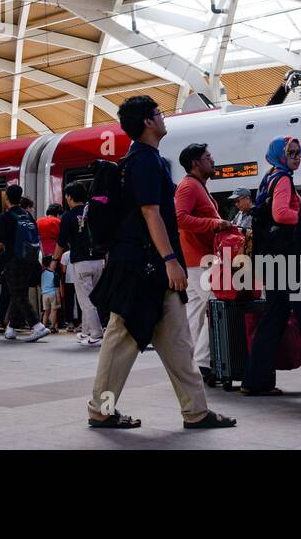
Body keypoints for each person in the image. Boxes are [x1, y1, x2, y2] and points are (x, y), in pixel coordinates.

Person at [86, 96, 235, 431]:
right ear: (148, 123)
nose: (163, 118)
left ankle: (196, 411)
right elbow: (150, 212)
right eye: (159, 114)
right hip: (142, 268)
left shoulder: (150, 159)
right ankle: (101, 409)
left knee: (179, 342)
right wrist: (171, 260)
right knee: (121, 341)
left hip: (152, 269)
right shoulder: (143, 161)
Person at [241, 136, 301, 396]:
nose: (297, 157)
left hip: (273, 259)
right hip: (288, 259)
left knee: (274, 318)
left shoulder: (269, 177)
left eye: (299, 152)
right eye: (291, 153)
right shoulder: (283, 179)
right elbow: (280, 213)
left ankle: (256, 381)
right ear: (280, 154)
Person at [175, 143, 235, 382]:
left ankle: (189, 363)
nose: (213, 160)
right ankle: (201, 362)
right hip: (200, 260)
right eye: (208, 157)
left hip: (195, 259)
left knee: (197, 313)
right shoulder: (189, 186)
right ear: (195, 163)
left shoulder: (196, 186)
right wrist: (215, 224)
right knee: (219, 304)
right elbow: (180, 218)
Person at [0, 184, 50, 342]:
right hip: (30, 260)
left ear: (7, 199)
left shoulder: (6, 217)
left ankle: (37, 326)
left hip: (14, 261)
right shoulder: (27, 215)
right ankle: (11, 328)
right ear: (20, 199)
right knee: (17, 293)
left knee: (18, 295)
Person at [53, 183, 104, 346]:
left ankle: (96, 334)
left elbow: (61, 241)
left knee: (86, 300)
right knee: (94, 296)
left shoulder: (68, 216)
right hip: (99, 260)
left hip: (81, 262)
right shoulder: (94, 212)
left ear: (69, 197)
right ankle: (86, 331)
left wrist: (55, 260)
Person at [40, 256, 60, 332]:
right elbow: (57, 288)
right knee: (54, 310)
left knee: (46, 311)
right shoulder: (55, 274)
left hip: (44, 295)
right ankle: (53, 327)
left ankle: (43, 327)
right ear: (50, 263)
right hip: (53, 294)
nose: (55, 263)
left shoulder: (43, 273)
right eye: (53, 261)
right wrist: (58, 297)